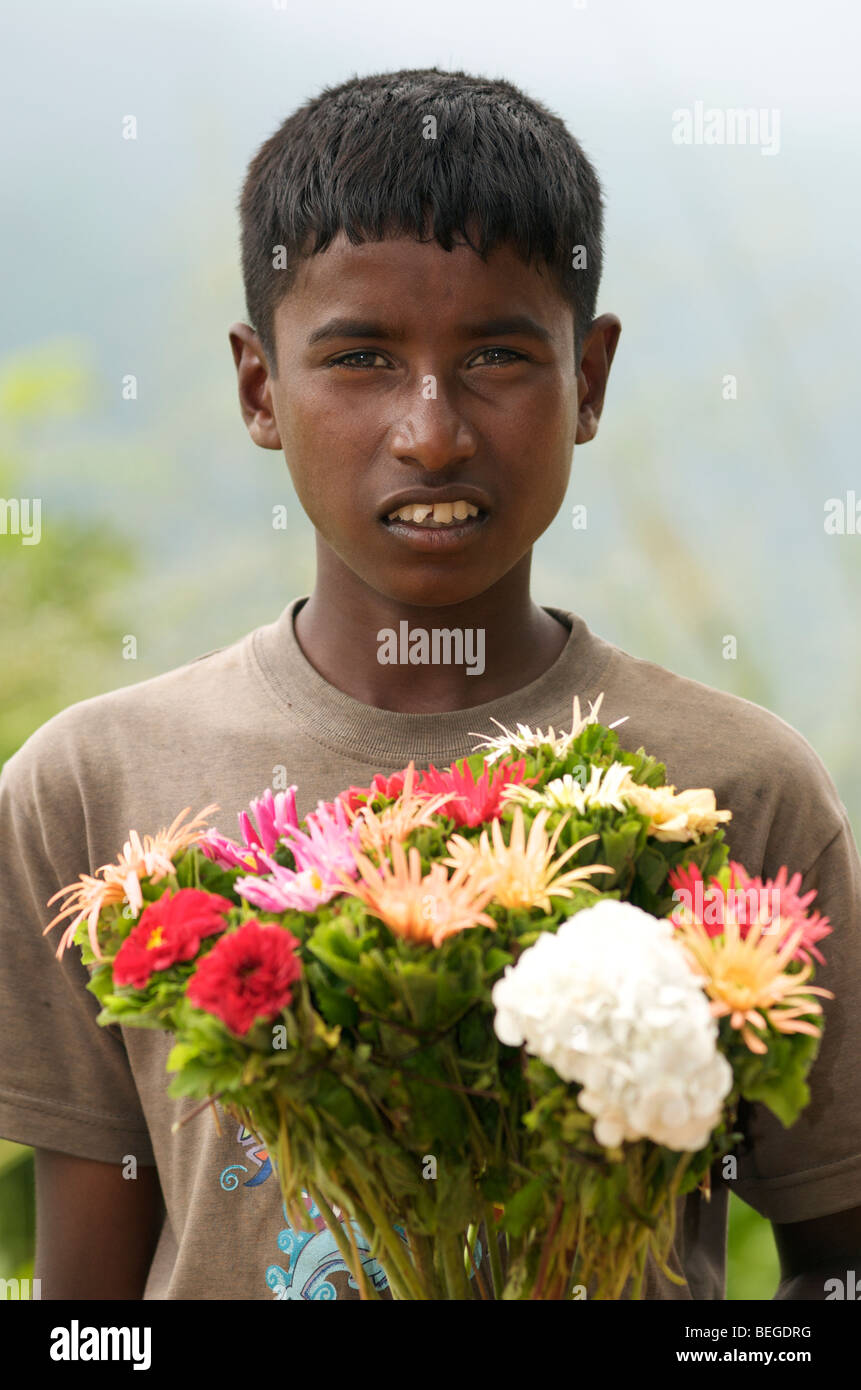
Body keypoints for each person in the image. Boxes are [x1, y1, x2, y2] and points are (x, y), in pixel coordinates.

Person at [1, 67, 859, 1302]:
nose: (432, 431)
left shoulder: (737, 788)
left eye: (499, 355)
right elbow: (84, 1313)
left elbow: (838, 1269)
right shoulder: (93, 790)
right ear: (259, 388)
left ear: (591, 381)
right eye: (359, 359)